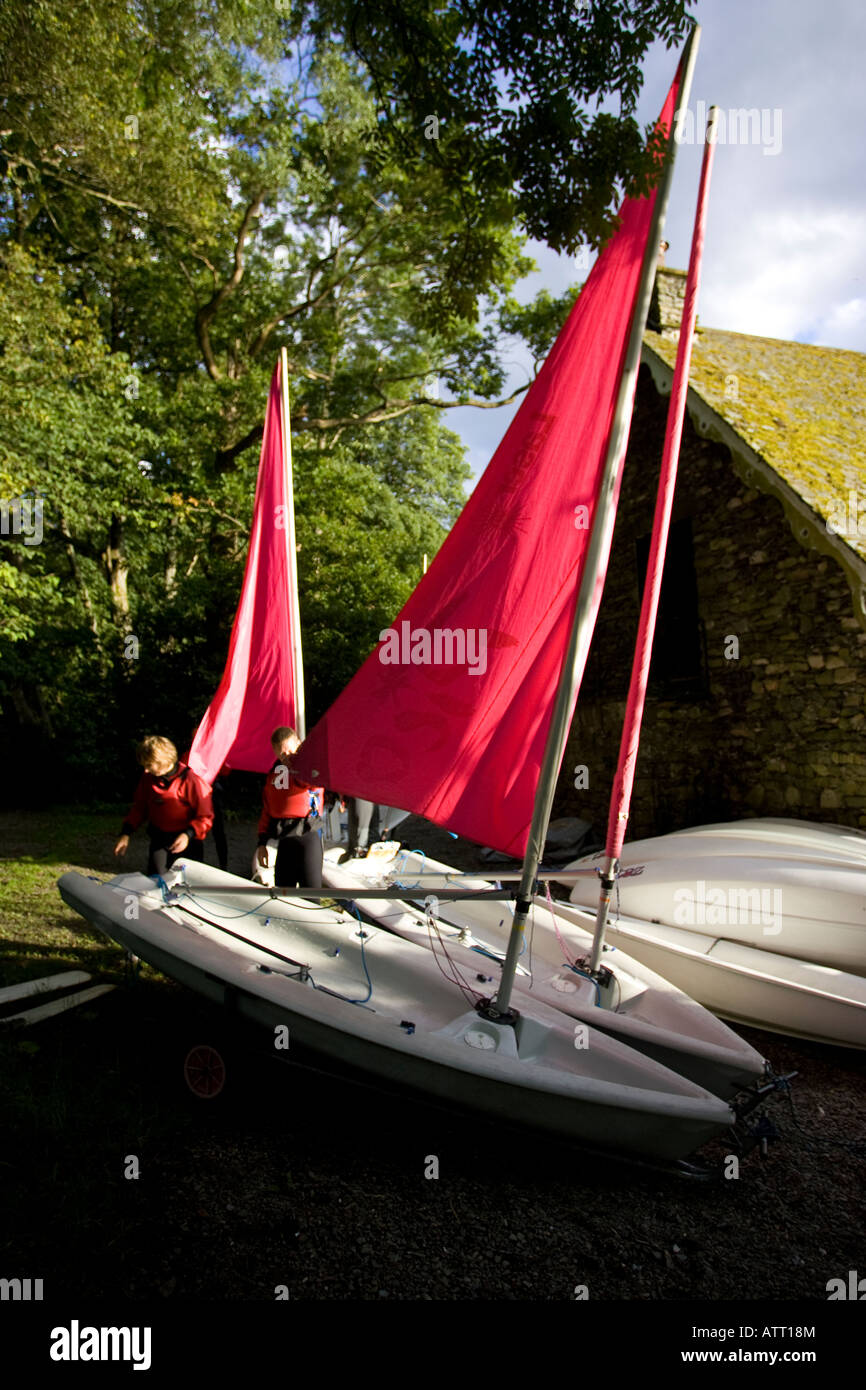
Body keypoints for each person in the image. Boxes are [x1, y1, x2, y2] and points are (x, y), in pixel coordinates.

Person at [114, 736, 214, 876]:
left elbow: (205, 816)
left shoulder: (190, 780)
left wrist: (187, 835)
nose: (146, 771)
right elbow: (139, 807)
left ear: (162, 760)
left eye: (149, 765)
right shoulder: (148, 779)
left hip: (187, 841)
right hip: (160, 839)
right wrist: (126, 833)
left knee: (185, 884)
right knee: (156, 880)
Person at [255, 727, 324, 890]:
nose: (286, 758)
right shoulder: (279, 772)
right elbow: (271, 809)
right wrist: (262, 842)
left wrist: (298, 763)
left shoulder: (311, 766)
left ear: (299, 745)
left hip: (308, 834)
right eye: (281, 755)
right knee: (284, 894)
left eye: (289, 752)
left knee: (311, 895)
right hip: (285, 839)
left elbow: (311, 783)